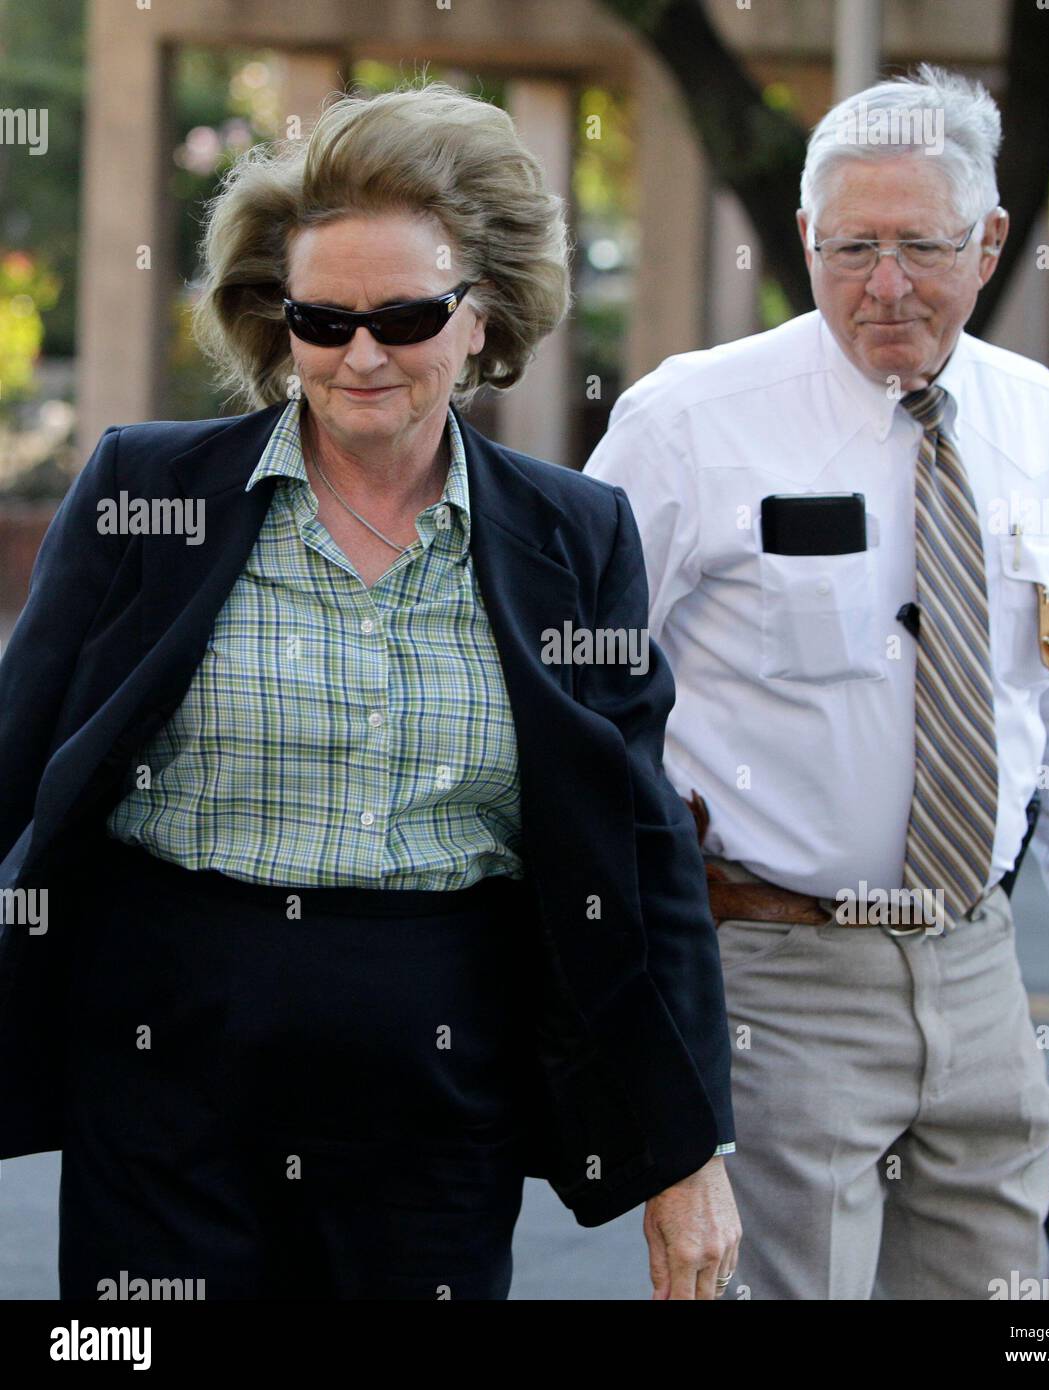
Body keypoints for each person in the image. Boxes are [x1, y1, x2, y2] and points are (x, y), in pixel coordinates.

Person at [0, 82, 740, 1301]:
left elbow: (640, 849)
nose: (358, 355)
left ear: (479, 315)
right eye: (320, 318)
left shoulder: (576, 534)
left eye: (401, 316)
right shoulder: (147, 495)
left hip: (440, 1090)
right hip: (166, 1073)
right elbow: (18, 764)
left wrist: (689, 1146)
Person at [585, 65, 1049, 1300]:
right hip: (771, 978)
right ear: (801, 237)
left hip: (976, 969)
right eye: (850, 247)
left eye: (920, 246)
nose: (883, 285)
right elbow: (576, 700)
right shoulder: (688, 419)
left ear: (991, 241)